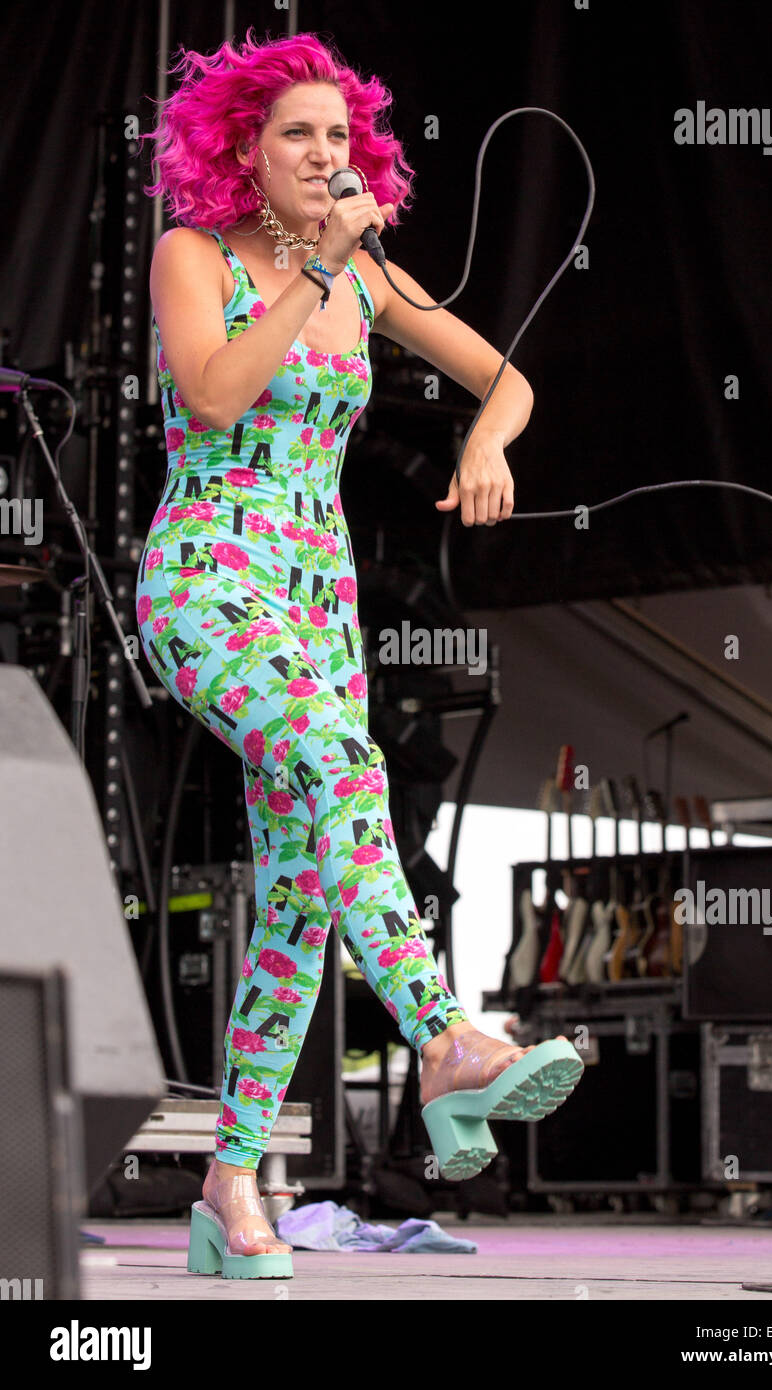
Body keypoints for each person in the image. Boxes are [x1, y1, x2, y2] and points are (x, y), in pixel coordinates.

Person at [138, 29, 580, 1279]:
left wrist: (483, 443)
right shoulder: (197, 256)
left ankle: (231, 1187)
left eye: (339, 135)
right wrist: (313, 277)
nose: (325, 154)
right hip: (212, 573)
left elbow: (512, 381)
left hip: (316, 598)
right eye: (297, 134)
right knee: (344, 768)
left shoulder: (370, 278)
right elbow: (215, 397)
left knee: (295, 894)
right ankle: (443, 1036)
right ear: (243, 151)